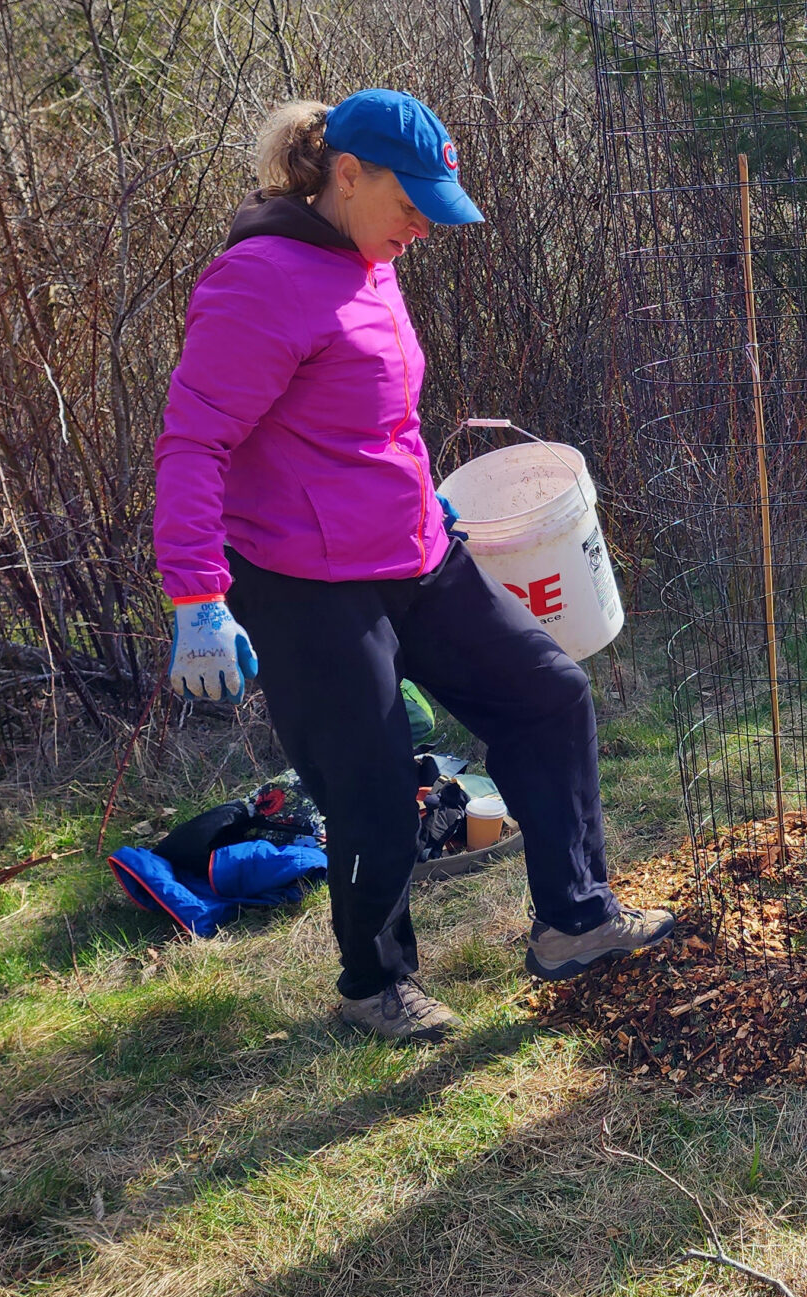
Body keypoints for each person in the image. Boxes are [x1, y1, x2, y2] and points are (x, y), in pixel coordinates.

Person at [153, 88, 672, 1040]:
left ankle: (575, 920)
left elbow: (370, 418)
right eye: (412, 203)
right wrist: (197, 593)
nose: (422, 227)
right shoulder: (258, 281)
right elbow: (194, 443)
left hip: (416, 553)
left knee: (549, 695)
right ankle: (374, 984)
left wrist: (420, 490)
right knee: (372, 782)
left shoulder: (369, 259)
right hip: (308, 583)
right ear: (347, 176)